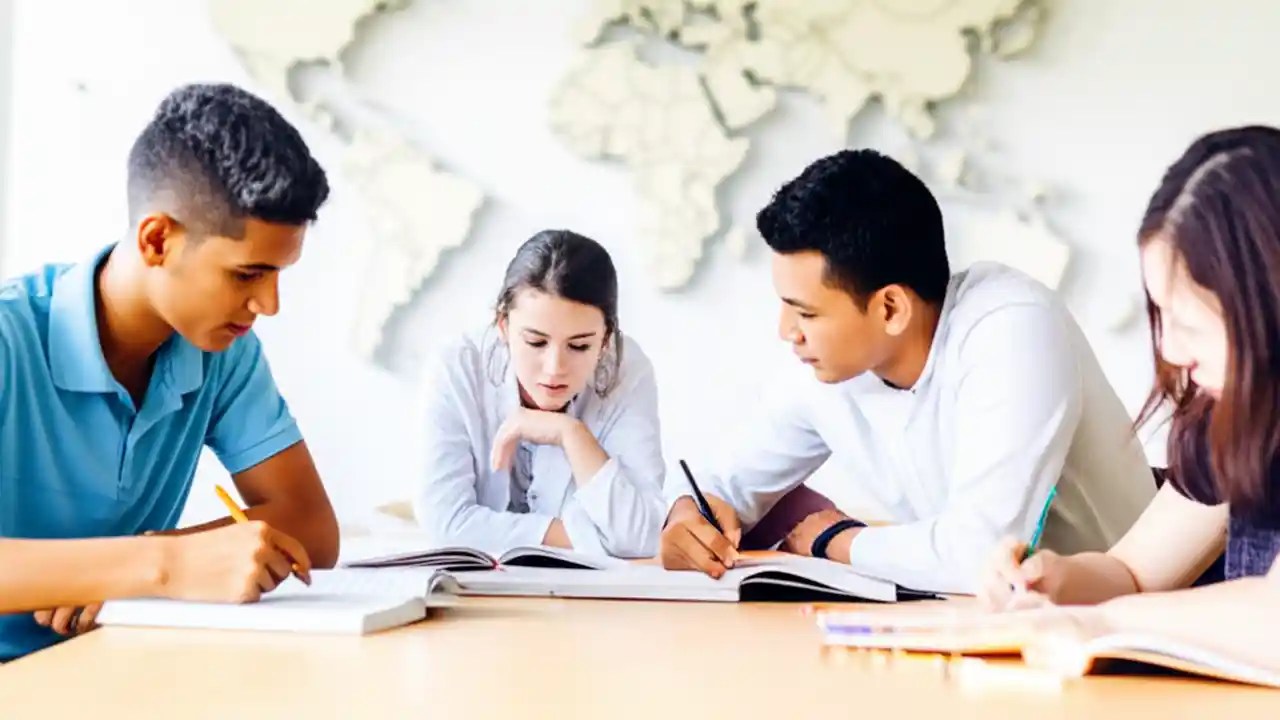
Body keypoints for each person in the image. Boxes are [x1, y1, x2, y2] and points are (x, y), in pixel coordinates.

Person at [660, 149, 1155, 592]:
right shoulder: (831, 367)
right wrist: (687, 515)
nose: (787, 330)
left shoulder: (1012, 326)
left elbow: (981, 556)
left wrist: (837, 539)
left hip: (1131, 621)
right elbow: (720, 482)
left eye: (806, 313)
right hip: (986, 624)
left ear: (891, 308)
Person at [0, 83, 339, 661]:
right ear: (158, 240)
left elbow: (311, 525)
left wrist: (136, 564)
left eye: (279, 274)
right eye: (247, 274)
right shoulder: (10, 340)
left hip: (108, 666)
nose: (270, 304)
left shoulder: (222, 351)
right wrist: (163, 566)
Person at [977, 127, 1280, 665]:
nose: (1170, 347)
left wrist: (1097, 621)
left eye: (1190, 321)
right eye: (1163, 317)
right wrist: (1054, 582)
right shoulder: (1237, 415)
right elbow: (1135, 573)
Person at [414, 230, 665, 558]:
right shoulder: (457, 366)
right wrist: (590, 537)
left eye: (579, 346)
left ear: (605, 340)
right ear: (503, 325)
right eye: (535, 342)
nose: (554, 368)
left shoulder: (627, 369)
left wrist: (570, 433)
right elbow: (446, 525)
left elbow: (641, 535)